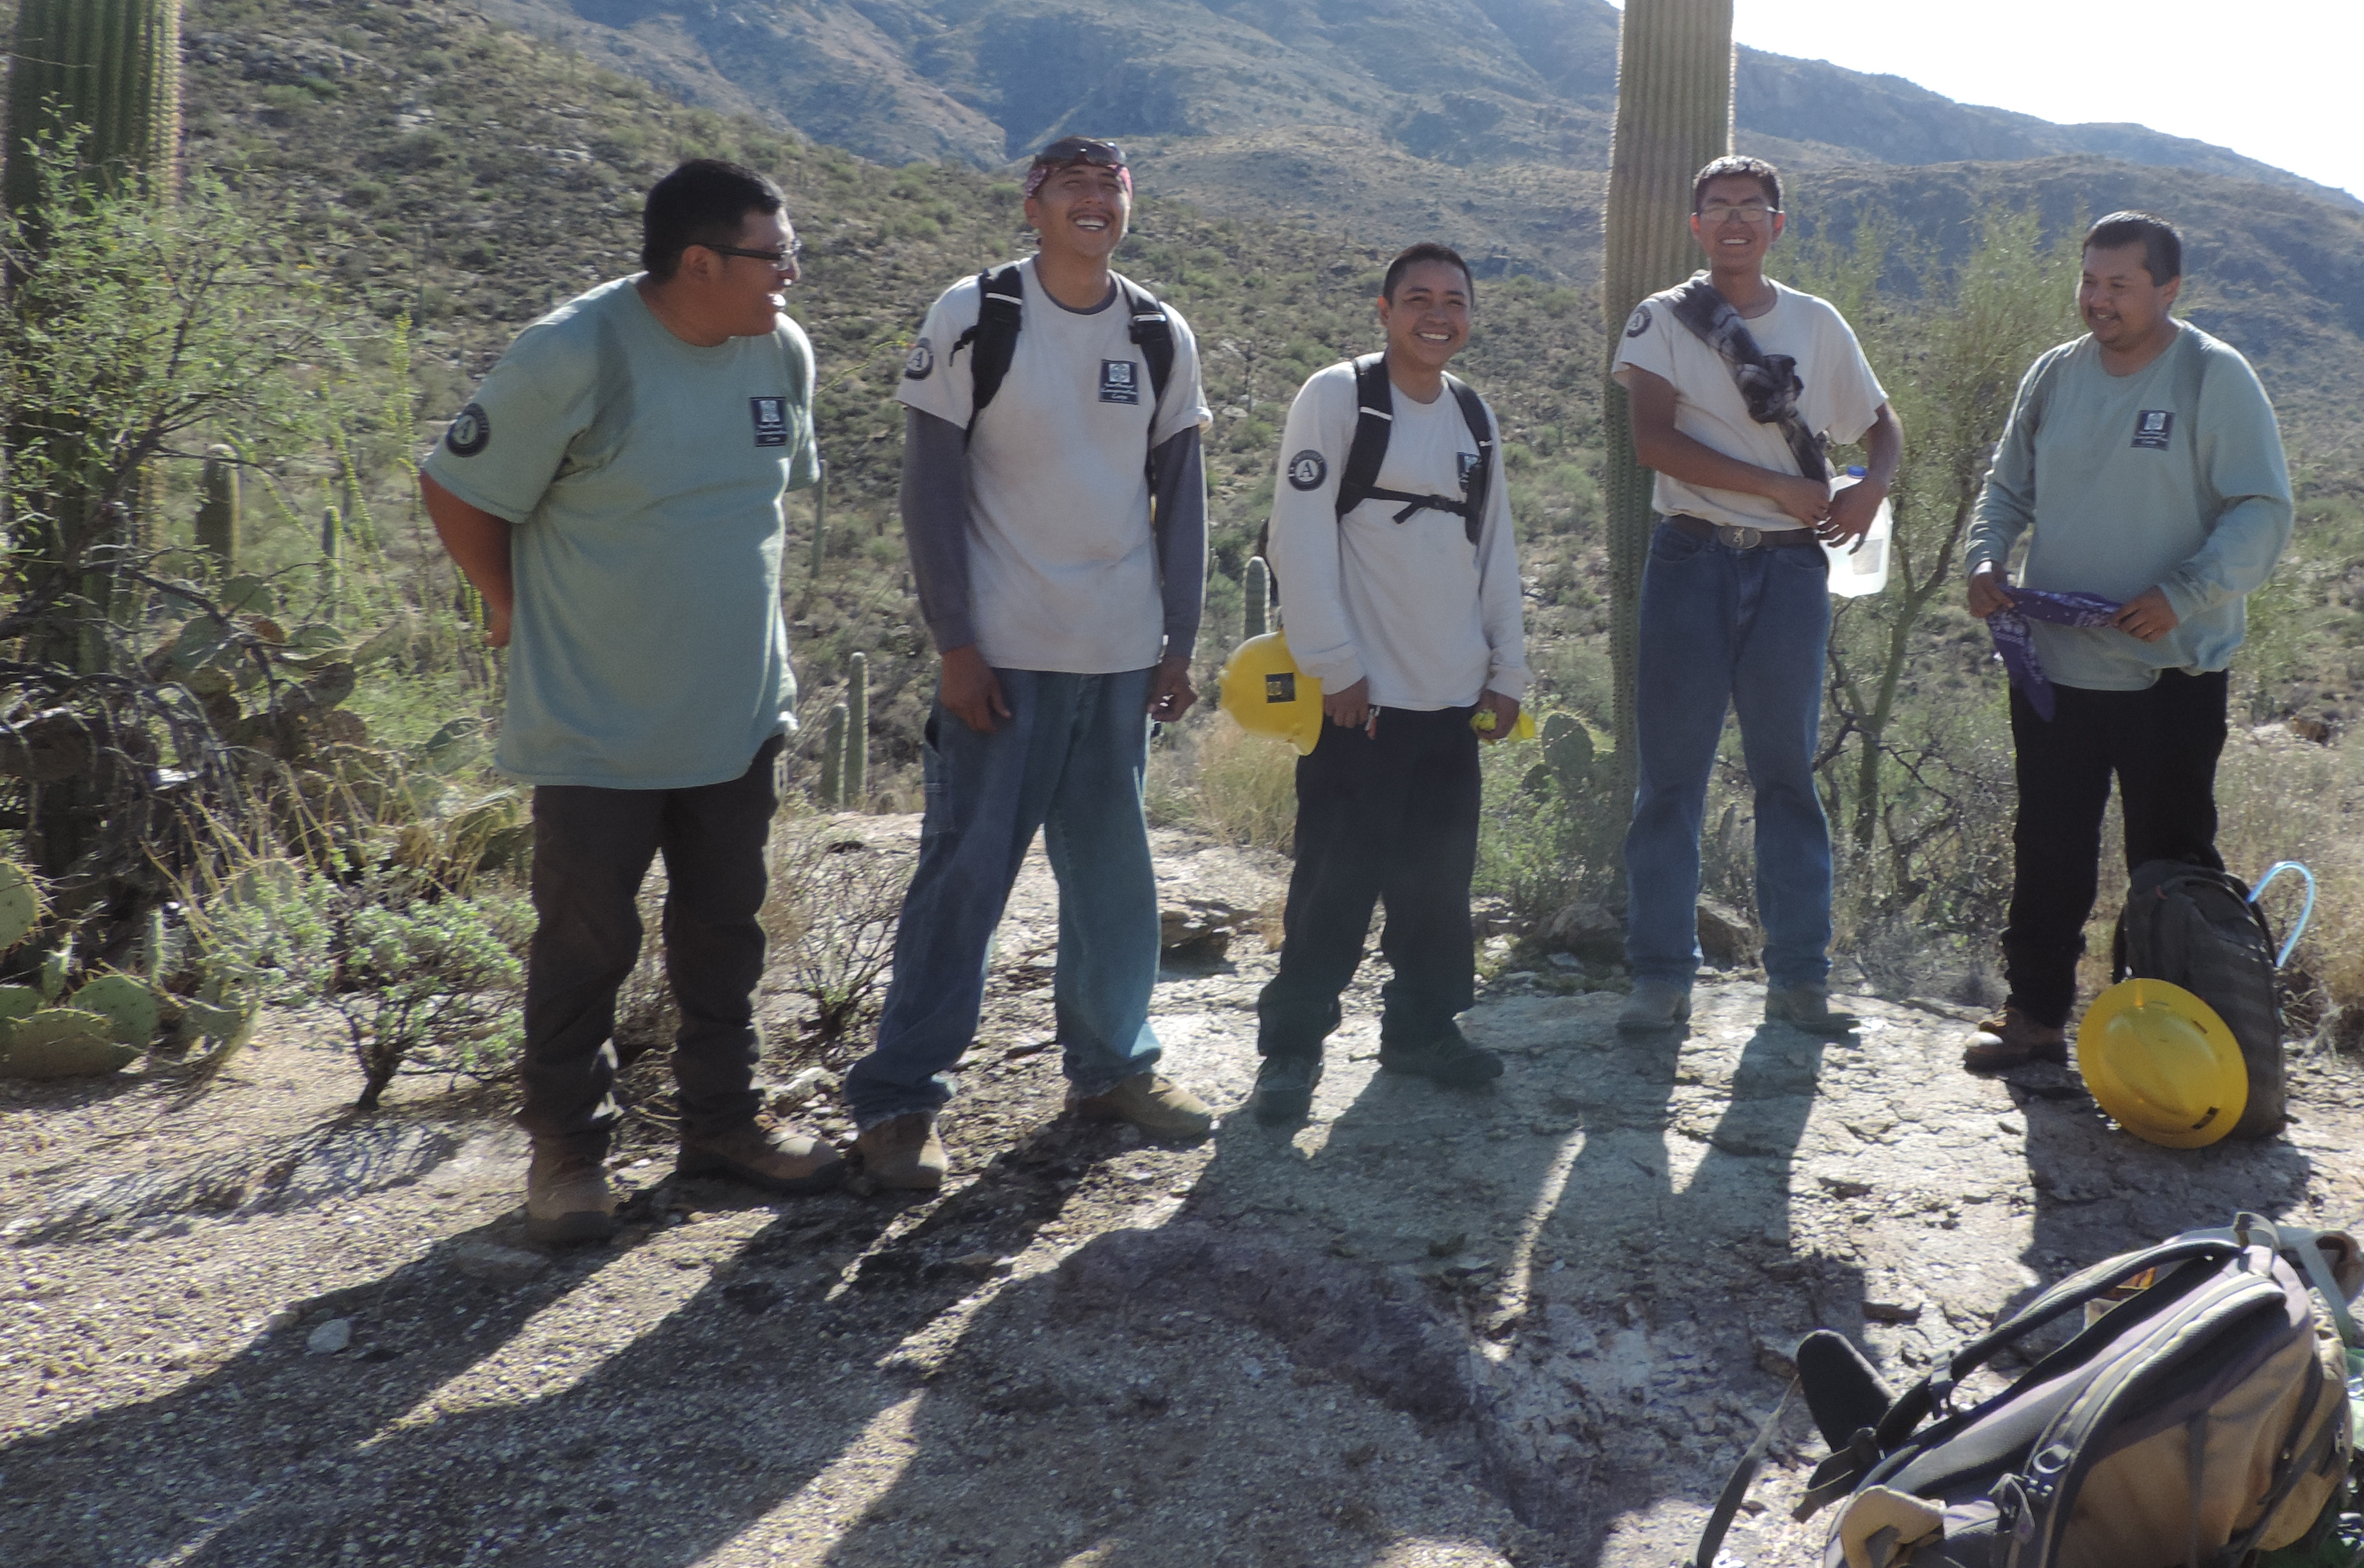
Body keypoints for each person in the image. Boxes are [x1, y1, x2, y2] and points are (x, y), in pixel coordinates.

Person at [420, 157, 844, 1246]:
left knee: (725, 932)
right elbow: (456, 487)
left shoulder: (780, 350)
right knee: (585, 942)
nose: (791, 275)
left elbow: (752, 508)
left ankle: (724, 1125)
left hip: (735, 714)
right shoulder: (577, 350)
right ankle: (567, 1154)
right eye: (774, 255)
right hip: (597, 719)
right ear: (698, 262)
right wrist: (510, 607)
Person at [846, 135, 1215, 1191]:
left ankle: (1113, 1068)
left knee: (1113, 880)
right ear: (1033, 205)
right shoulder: (977, 315)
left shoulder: (1158, 332)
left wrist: (1179, 641)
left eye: (1112, 186)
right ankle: (901, 1102)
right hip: (1003, 657)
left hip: (1117, 656)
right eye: (1072, 186)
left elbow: (1181, 498)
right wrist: (955, 645)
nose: (1095, 200)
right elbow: (929, 489)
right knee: (965, 878)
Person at [1960, 210, 2294, 1074]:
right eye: (2089, 281)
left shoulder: (2213, 375)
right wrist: (1986, 558)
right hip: (2057, 667)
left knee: (2171, 864)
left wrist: (2181, 594)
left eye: (2119, 285)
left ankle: (2172, 1054)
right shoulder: (2054, 374)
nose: (2098, 300)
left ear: (2169, 289)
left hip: (2170, 673)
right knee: (2048, 849)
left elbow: (2262, 509)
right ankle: (2036, 1018)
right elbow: (2006, 489)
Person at [1613, 154, 1901, 1038]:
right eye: (1718, 206)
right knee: (1672, 777)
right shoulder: (1661, 319)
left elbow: (1882, 426)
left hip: (1789, 571)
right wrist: (1778, 486)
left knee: (1787, 775)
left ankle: (1800, 982)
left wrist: (1870, 488)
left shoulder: (1816, 322)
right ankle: (1661, 976)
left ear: (1778, 225)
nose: (1734, 219)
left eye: (1751, 206)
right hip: (1692, 557)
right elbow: (1653, 442)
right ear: (1695, 224)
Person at [1248, 242, 1532, 1125]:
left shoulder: (1473, 416)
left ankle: (1422, 1031)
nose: (1437, 315)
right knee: (1333, 884)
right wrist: (1335, 666)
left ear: (1471, 316)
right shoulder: (1340, 398)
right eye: (1418, 299)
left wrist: (1507, 671)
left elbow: (1495, 549)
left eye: (1454, 301)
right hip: (1361, 700)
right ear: (1384, 310)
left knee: (1437, 889)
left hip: (1451, 696)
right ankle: (1292, 1050)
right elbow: (1297, 537)